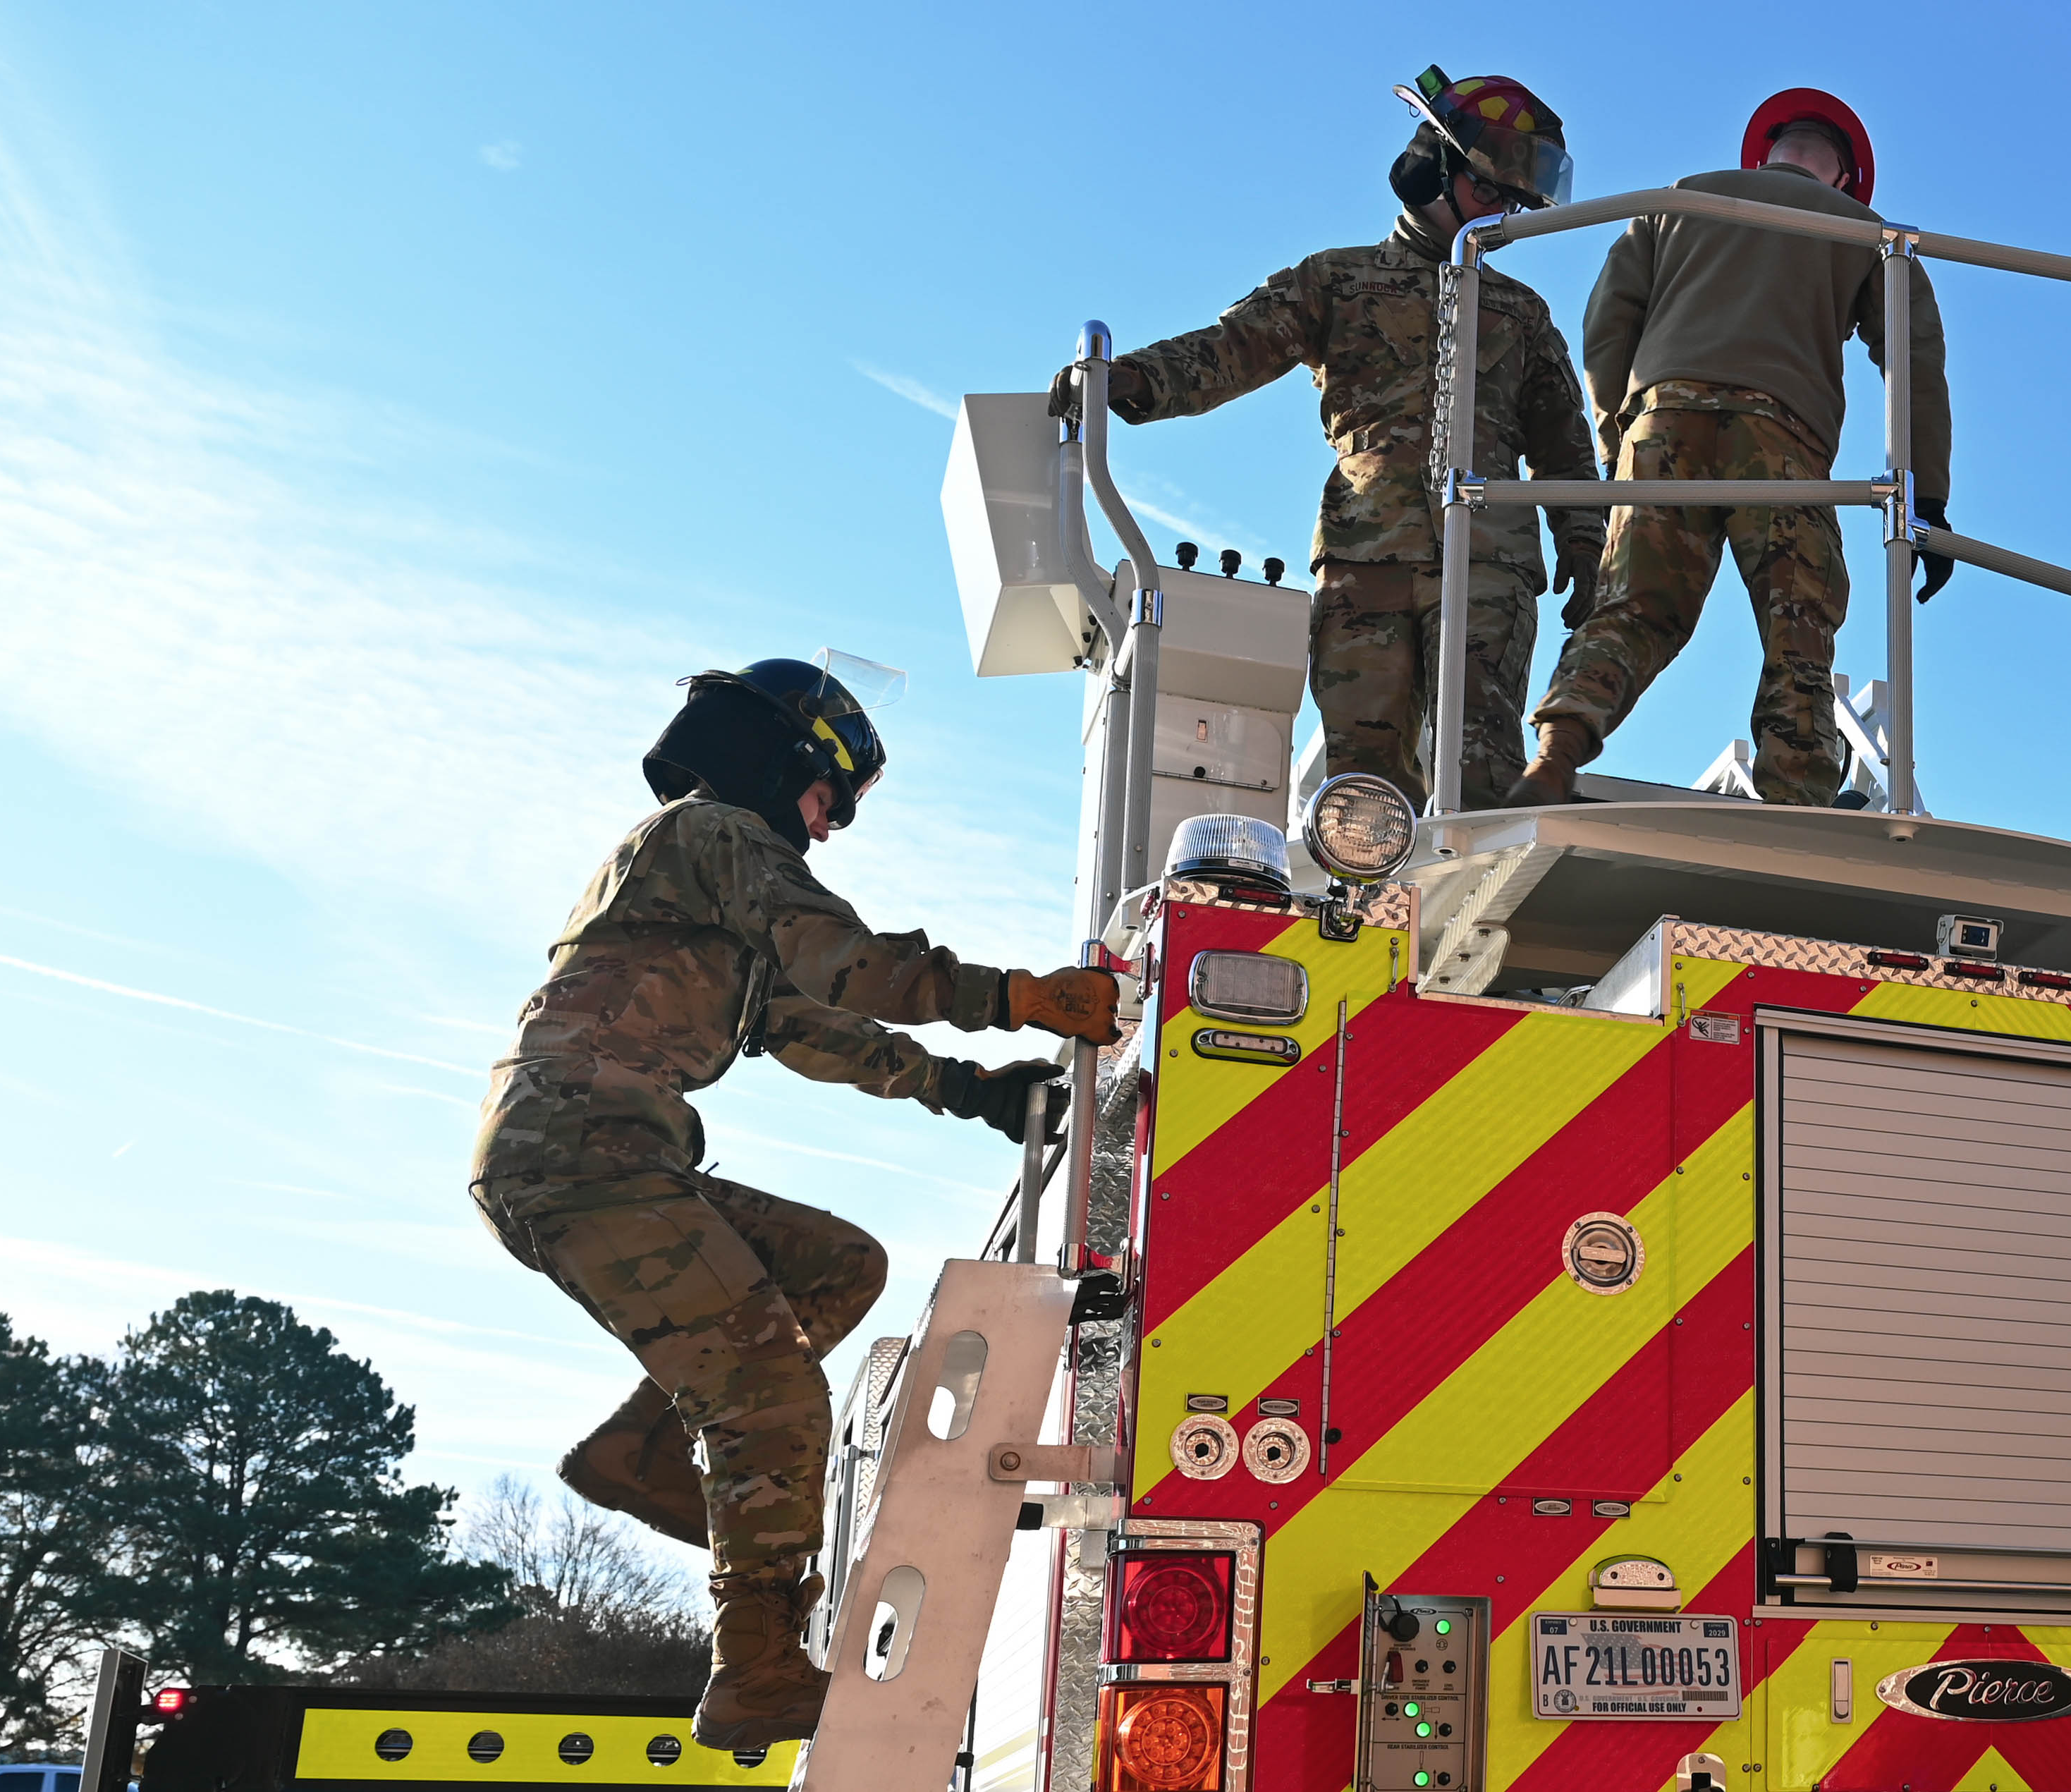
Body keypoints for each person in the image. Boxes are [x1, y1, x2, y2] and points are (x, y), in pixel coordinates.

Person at [466, 656, 1120, 1749]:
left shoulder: (701, 893)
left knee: (838, 1267)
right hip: (581, 1149)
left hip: (603, 1152)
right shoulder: (715, 834)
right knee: (772, 1389)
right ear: (777, 760)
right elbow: (849, 961)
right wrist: (1010, 998)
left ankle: (649, 1451)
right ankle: (756, 1668)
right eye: (828, 799)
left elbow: (815, 1024)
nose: (826, 828)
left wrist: (965, 1090)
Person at [1051, 66, 1603, 810]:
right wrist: (1131, 379)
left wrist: (1583, 539)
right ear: (1429, 172)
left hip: (1489, 562)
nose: (1498, 211)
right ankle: (1371, 921)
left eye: (1511, 200)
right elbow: (1232, 348)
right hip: (1363, 554)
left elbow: (1564, 443)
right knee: (1362, 785)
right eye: (1484, 191)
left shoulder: (1523, 312)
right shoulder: (1338, 280)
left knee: (1479, 770)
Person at [1510, 88, 1955, 808]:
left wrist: (1618, 438)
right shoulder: (1869, 234)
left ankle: (1555, 757)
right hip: (1782, 440)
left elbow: (1607, 323)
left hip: (1661, 419)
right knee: (1796, 630)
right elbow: (1914, 360)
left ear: (1763, 153)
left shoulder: (1680, 200)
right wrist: (1925, 498)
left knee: (1631, 609)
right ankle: (1796, 808)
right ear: (1842, 176)